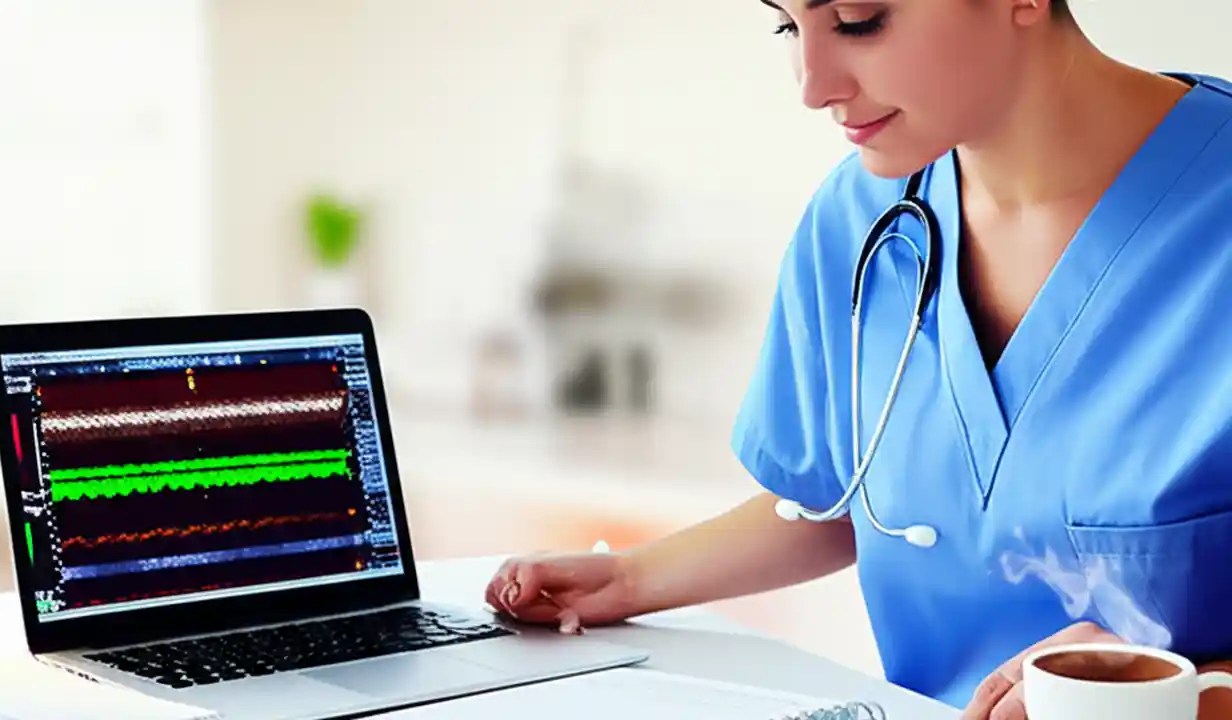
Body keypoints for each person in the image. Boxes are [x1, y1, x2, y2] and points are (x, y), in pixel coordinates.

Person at [485, 1, 1232, 717]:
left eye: (857, 21)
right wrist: (626, 579)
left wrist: (1168, 694)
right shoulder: (856, 223)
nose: (813, 86)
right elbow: (842, 498)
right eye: (787, 24)